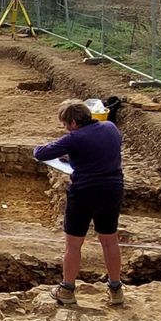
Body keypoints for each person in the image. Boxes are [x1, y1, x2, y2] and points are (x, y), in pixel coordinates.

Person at [32, 99, 125, 307]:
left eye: (66, 125)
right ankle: (116, 289)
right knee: (110, 240)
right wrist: (75, 156)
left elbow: (40, 153)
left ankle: (67, 289)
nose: (66, 129)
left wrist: (69, 148)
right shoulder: (110, 127)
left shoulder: (74, 138)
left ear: (73, 122)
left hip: (85, 192)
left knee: (73, 245)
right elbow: (101, 149)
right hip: (113, 189)